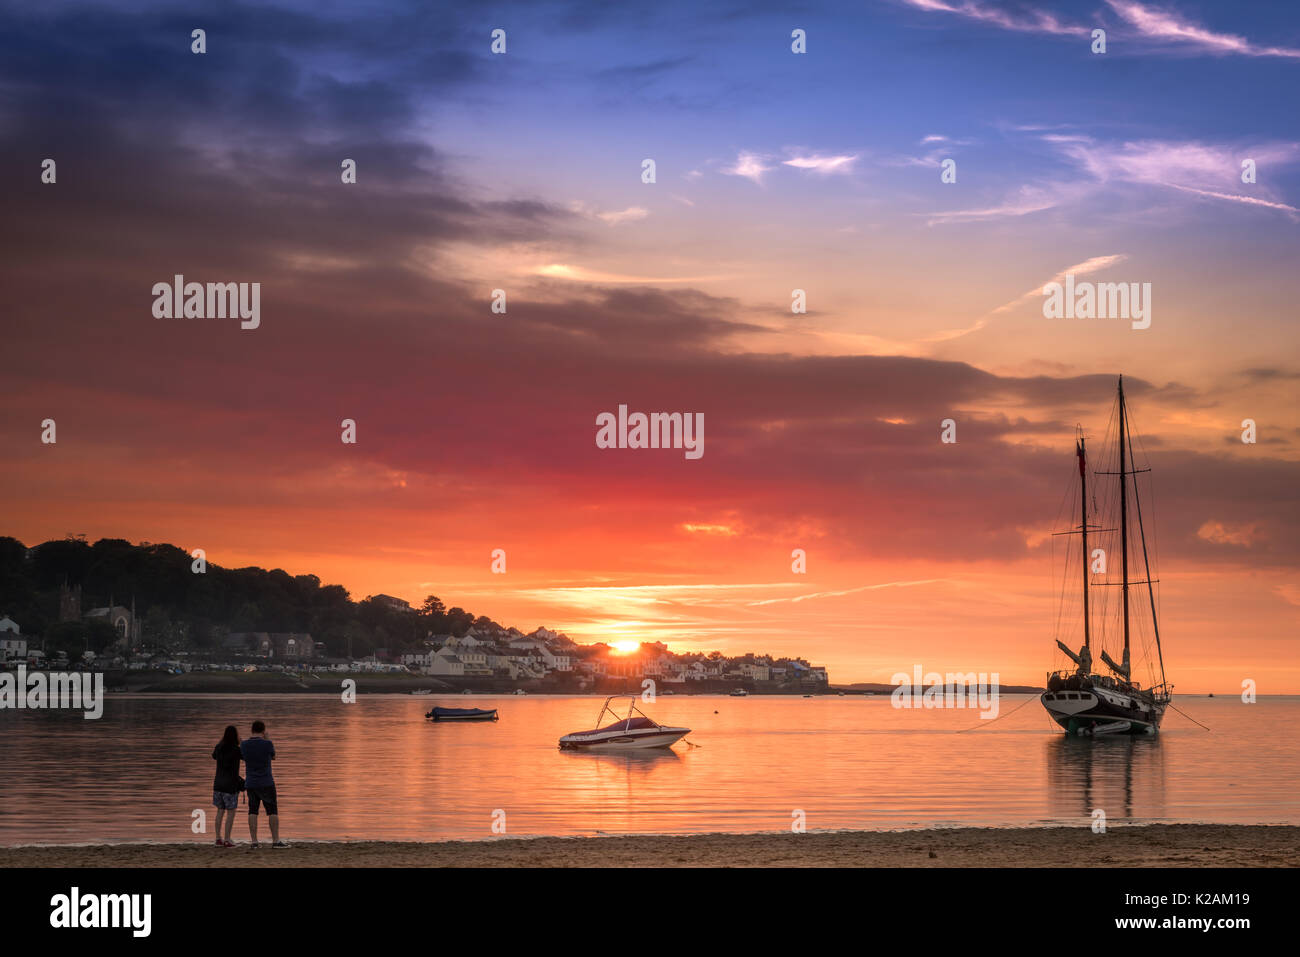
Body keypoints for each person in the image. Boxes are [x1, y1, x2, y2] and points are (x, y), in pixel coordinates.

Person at [240, 720, 286, 848]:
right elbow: (274, 757)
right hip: (266, 782)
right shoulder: (267, 744)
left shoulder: (244, 745)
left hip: (251, 783)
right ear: (263, 730)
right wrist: (268, 739)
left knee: (253, 811)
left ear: (252, 730)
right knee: (272, 811)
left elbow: (243, 757)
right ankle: (275, 841)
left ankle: (254, 842)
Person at [211, 725, 243, 847]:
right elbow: (245, 757)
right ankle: (227, 839)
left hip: (218, 785)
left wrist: (221, 742)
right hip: (230, 786)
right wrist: (242, 743)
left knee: (220, 811)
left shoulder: (219, 747)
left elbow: (213, 756)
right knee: (231, 813)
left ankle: (218, 838)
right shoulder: (236, 749)